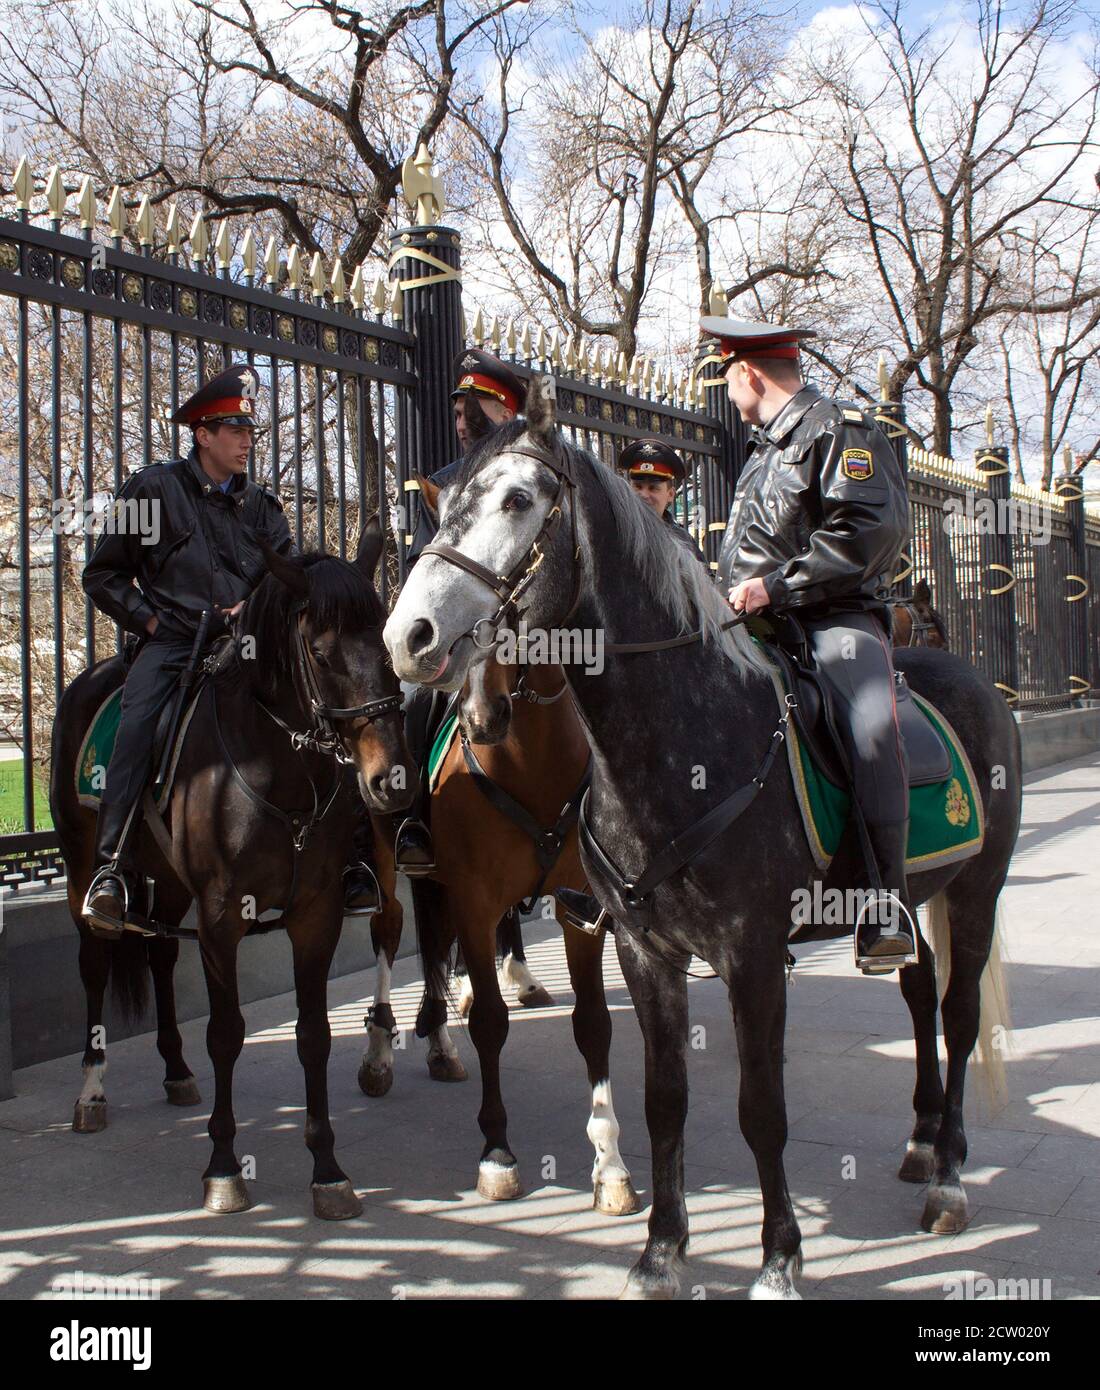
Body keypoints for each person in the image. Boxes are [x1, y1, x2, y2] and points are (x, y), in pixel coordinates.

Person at [700, 312, 915, 973]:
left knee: (873, 728)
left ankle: (887, 904)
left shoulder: (839, 430)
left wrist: (777, 586)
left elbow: (870, 531)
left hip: (833, 622)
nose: (725, 395)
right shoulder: (764, 452)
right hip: (758, 626)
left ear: (746, 372)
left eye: (724, 379)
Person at [80, 364, 304, 934]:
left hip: (247, 649)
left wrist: (252, 614)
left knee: (321, 709)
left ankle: (349, 856)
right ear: (202, 434)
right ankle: (112, 867)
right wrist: (151, 623)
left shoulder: (264, 508)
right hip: (174, 644)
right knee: (136, 727)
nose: (247, 440)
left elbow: (284, 583)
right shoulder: (152, 491)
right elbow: (102, 575)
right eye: (234, 429)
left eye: (250, 430)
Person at [618, 437, 706, 563]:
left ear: (670, 494)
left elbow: (705, 580)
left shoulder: (683, 541)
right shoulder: (618, 533)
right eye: (637, 487)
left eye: (653, 488)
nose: (644, 494)